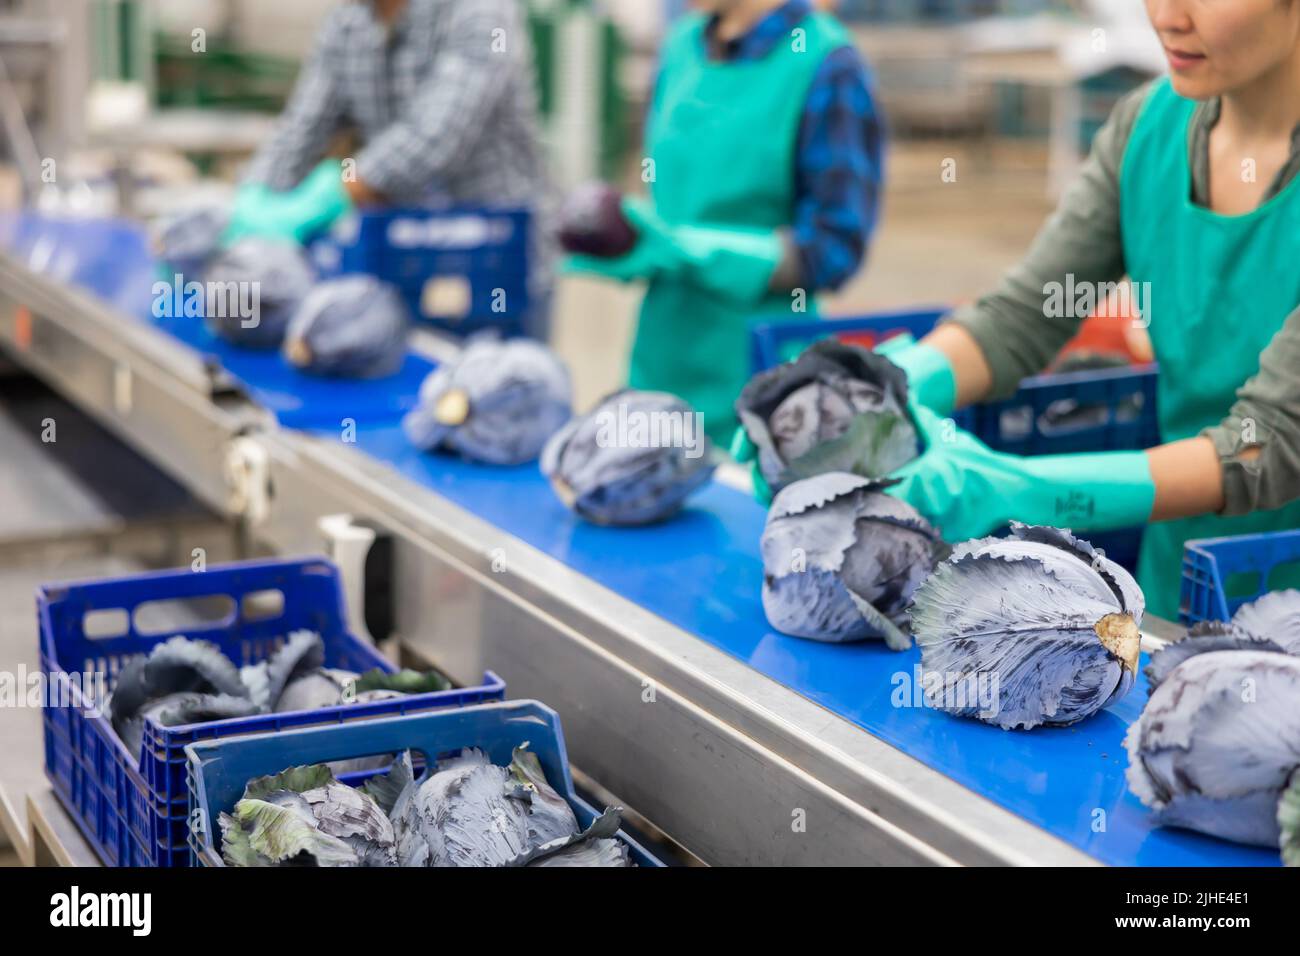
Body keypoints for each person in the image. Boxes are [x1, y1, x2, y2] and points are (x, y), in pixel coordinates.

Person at [884, 0, 1300, 620]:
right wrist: (888, 386)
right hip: (1180, 590)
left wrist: (1037, 492)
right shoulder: (1148, 127)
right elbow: (1027, 313)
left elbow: (1272, 443)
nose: (1166, 16)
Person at [568, 0, 883, 444]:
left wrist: (697, 251)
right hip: (661, 359)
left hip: (761, 382)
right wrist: (632, 240)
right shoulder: (682, 45)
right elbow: (667, 192)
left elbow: (833, 250)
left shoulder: (827, 63)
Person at [225, 0, 552, 335]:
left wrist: (330, 194)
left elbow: (434, 135)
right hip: (402, 262)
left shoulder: (481, 11)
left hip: (496, 261)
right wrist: (257, 195)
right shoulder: (347, 23)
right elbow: (302, 128)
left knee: (498, 378)